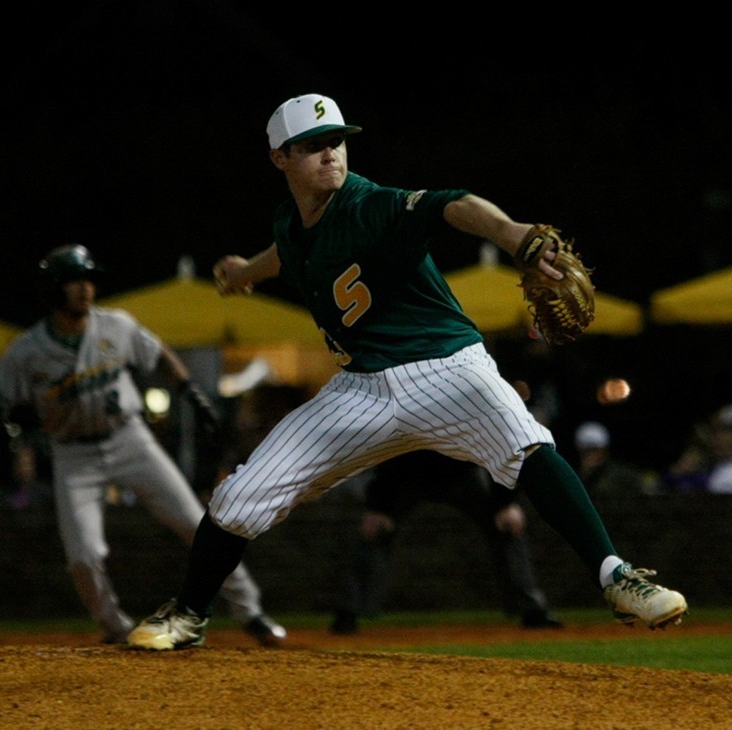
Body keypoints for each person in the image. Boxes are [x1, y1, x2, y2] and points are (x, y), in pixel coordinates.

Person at [127, 92, 686, 650]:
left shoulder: (371, 204)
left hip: (447, 369)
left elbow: (452, 203)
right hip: (358, 391)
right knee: (239, 496)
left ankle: (618, 579)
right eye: (313, 146)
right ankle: (189, 615)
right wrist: (247, 271)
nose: (331, 155)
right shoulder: (292, 223)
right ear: (280, 158)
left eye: (336, 142)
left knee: (527, 445)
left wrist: (513, 233)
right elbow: (288, 250)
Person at [0, 244, 287, 646]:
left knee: (199, 525)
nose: (86, 288)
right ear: (53, 289)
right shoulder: (27, 350)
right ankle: (114, 627)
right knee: (83, 556)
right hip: (74, 454)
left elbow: (158, 354)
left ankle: (251, 612)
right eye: (74, 280)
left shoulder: (115, 325)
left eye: (88, 279)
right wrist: (6, 418)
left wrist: (190, 391)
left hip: (130, 438)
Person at [331, 450, 562, 634]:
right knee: (374, 531)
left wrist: (504, 502)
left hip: (463, 474)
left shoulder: (471, 398)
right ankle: (348, 612)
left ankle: (532, 610)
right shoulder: (409, 399)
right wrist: (378, 507)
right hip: (410, 475)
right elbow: (390, 450)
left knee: (507, 526)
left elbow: (496, 446)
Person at [573, 421, 652, 497]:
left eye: (597, 449)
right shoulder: (575, 478)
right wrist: (586, 475)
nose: (594, 455)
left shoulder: (624, 474)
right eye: (588, 450)